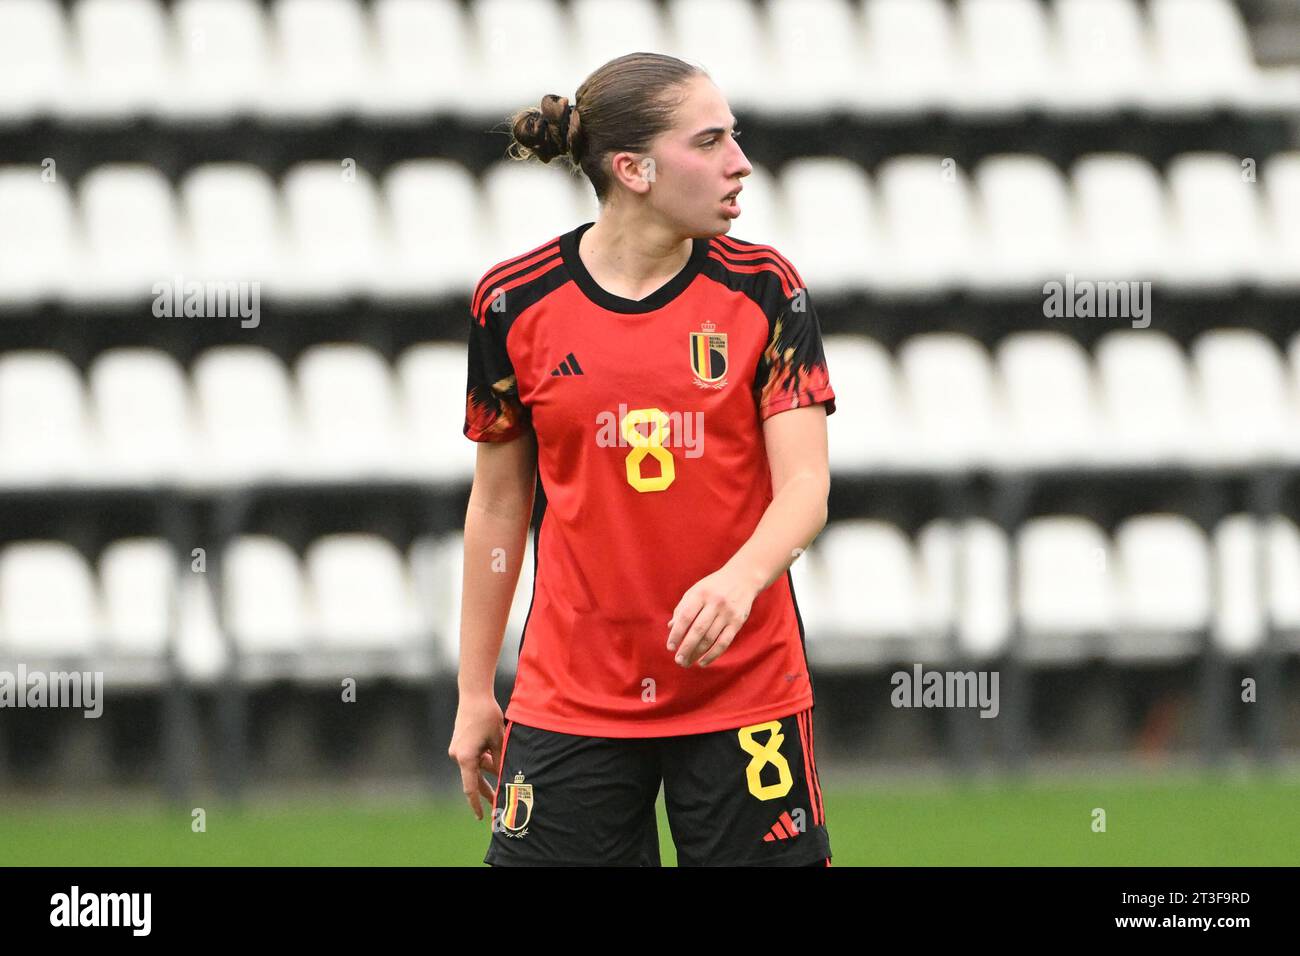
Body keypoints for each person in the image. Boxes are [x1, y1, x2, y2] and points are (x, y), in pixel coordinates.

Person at [449, 52, 836, 867]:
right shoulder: (513, 303)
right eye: (711, 142)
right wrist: (476, 689)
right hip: (570, 696)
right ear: (633, 169)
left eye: (736, 136)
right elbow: (496, 507)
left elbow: (804, 485)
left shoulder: (768, 290)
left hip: (745, 692)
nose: (741, 163)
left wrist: (740, 579)